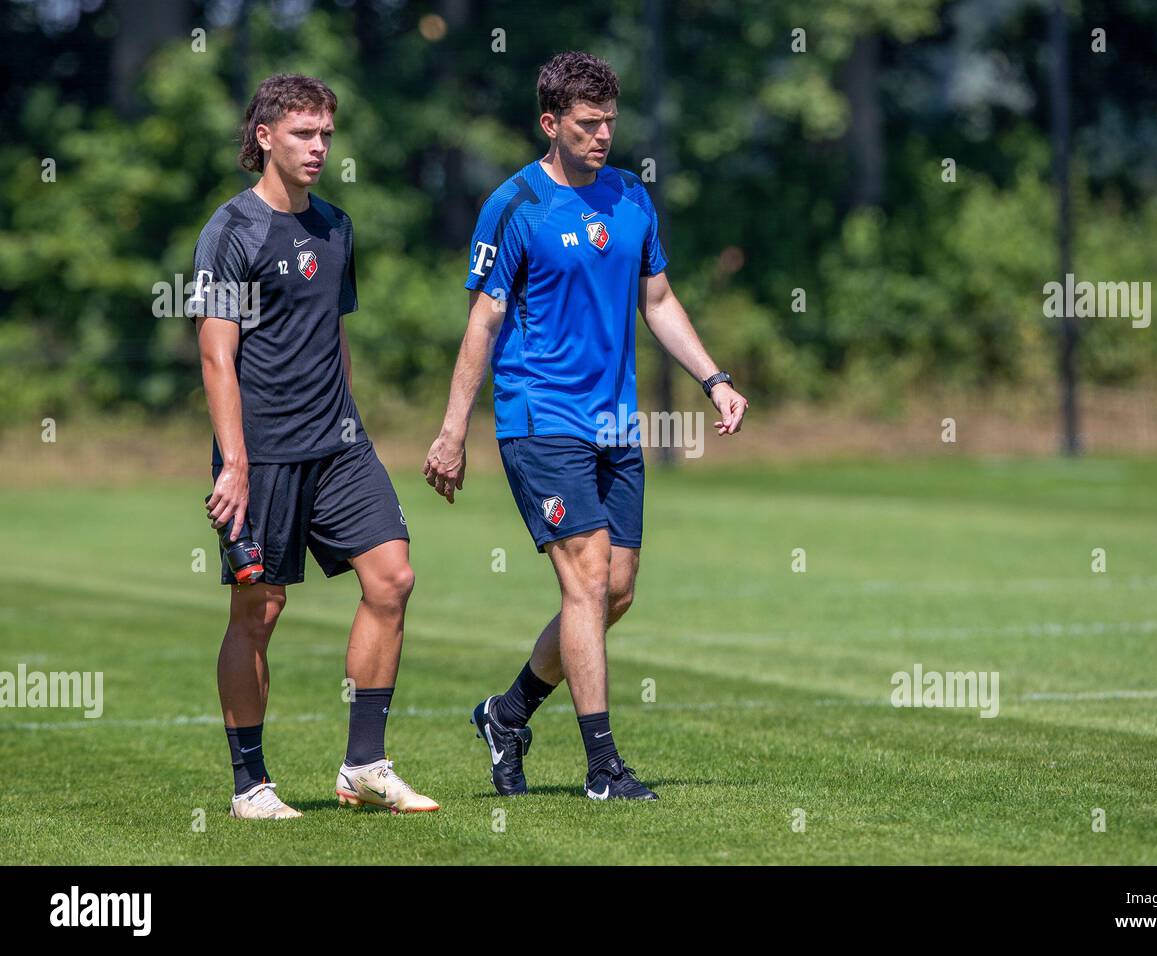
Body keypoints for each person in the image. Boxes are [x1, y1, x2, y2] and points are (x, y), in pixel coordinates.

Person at [423, 52, 749, 801]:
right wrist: (451, 429)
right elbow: (485, 319)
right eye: (587, 123)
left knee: (617, 591)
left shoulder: (632, 197)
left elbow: (658, 301)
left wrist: (715, 378)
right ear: (550, 123)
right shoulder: (515, 205)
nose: (603, 135)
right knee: (588, 579)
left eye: (610, 121)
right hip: (539, 419)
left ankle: (506, 715)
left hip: (615, 425)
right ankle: (603, 768)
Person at [192, 73, 437, 819]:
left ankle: (365, 764)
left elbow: (333, 332)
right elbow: (216, 356)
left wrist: (352, 422)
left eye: (326, 133)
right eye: (304, 133)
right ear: (264, 137)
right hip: (260, 456)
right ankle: (250, 787)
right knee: (257, 613)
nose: (319, 147)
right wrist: (234, 463)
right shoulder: (231, 231)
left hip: (339, 448)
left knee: (392, 578)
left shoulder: (337, 226)